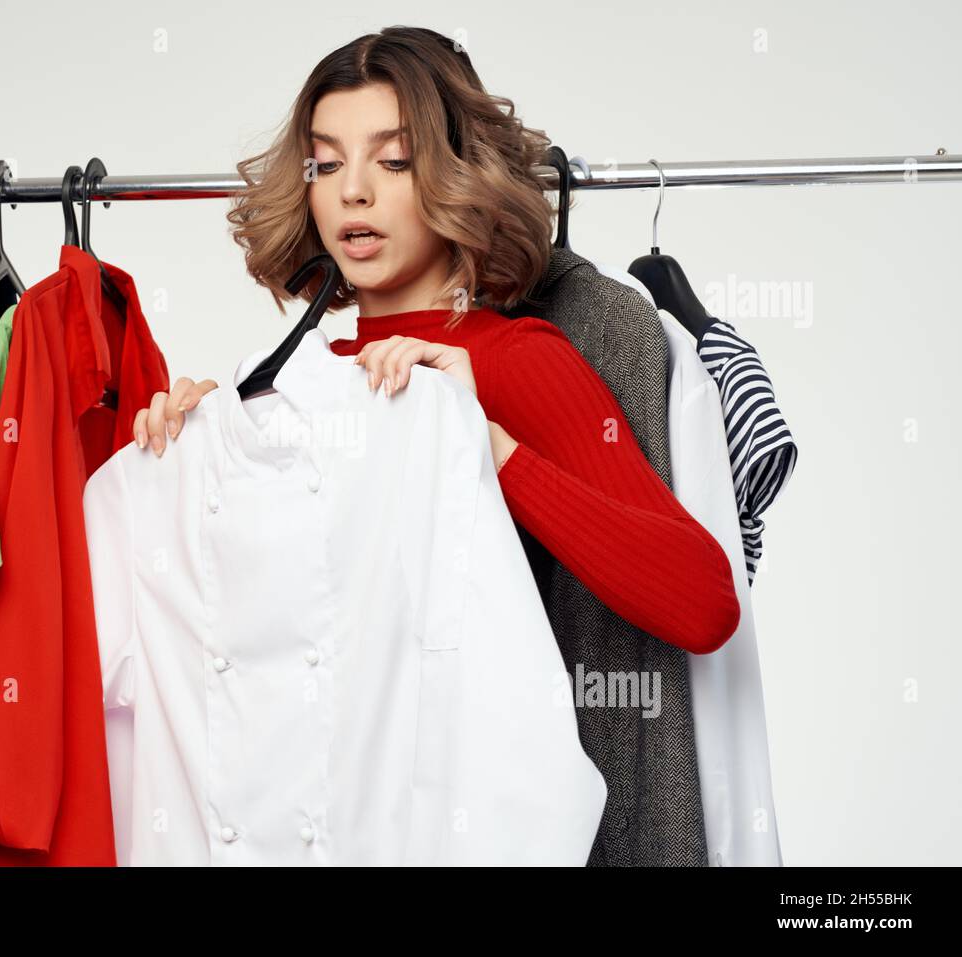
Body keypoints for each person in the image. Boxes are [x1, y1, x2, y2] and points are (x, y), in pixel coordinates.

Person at [128, 25, 738, 654]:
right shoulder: (298, 382)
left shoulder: (514, 360)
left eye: (394, 160)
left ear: (456, 175)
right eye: (328, 164)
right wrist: (191, 463)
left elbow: (704, 607)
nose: (352, 191)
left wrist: (484, 442)